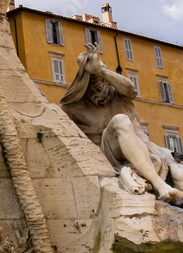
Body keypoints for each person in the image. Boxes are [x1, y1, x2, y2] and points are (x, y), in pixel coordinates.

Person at [61, 44, 183, 206]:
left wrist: (102, 70)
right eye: (96, 74)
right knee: (120, 120)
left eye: (105, 73)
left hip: (146, 147)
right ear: (85, 78)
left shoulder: (120, 94)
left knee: (179, 171)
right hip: (111, 152)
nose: (103, 79)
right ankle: (159, 185)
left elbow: (131, 90)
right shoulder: (74, 107)